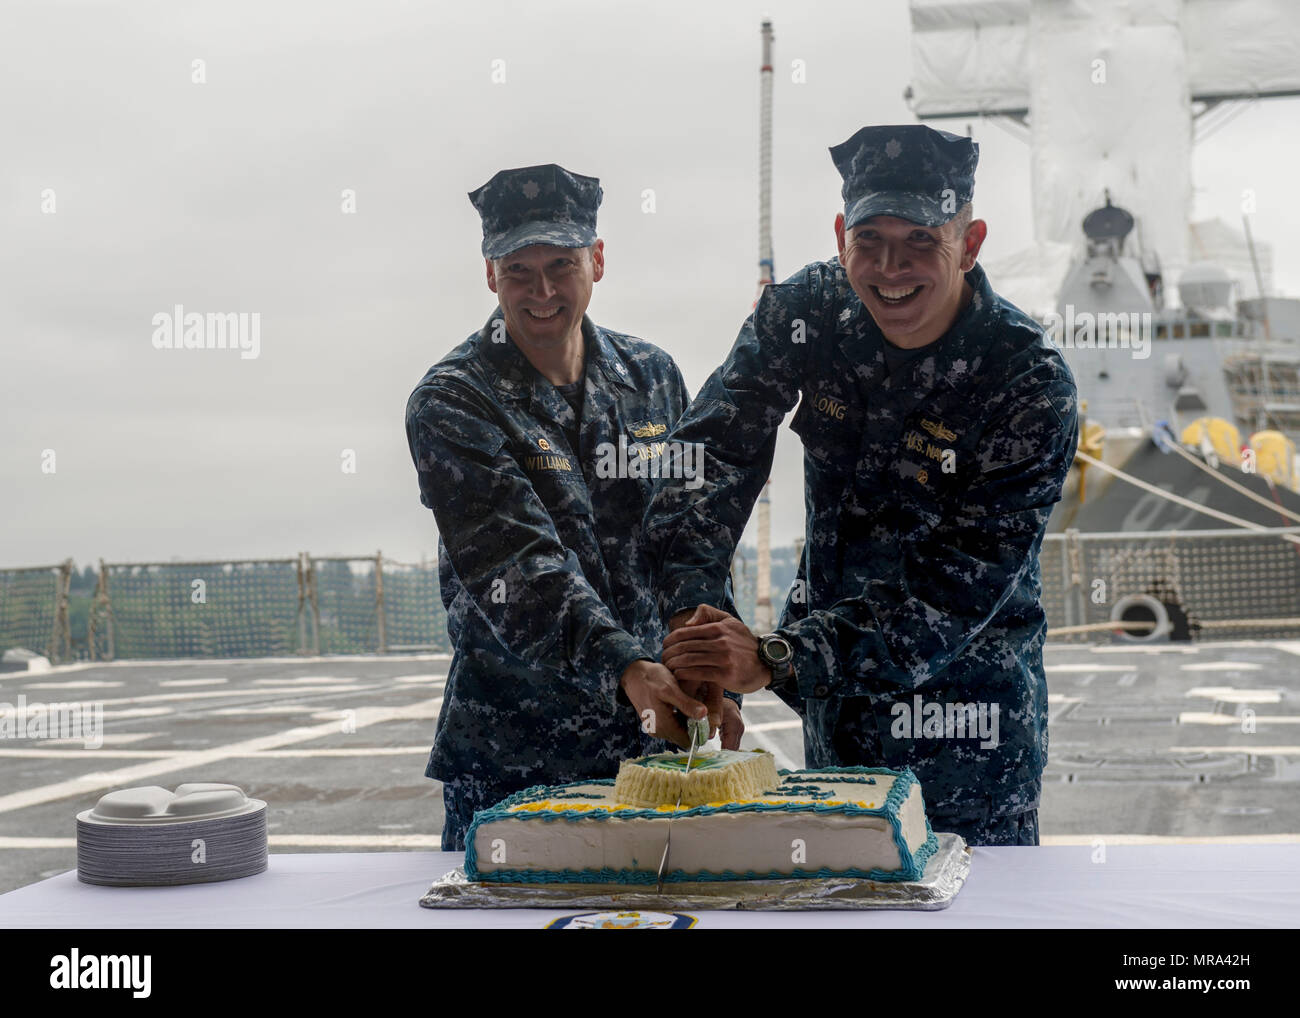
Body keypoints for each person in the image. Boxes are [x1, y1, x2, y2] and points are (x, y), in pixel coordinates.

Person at [644, 125, 1080, 846]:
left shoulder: (1027, 382)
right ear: (841, 233)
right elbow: (706, 466)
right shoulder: (807, 314)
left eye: (920, 242)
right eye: (870, 239)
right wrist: (700, 639)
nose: (890, 267)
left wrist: (777, 658)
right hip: (839, 722)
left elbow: (956, 589)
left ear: (969, 244)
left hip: (970, 739)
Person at [404, 163, 738, 851]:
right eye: (519, 270)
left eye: (562, 263)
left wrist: (709, 659)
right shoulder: (453, 400)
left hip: (658, 746)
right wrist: (626, 666)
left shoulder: (653, 377)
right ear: (490, 274)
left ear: (599, 260)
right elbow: (517, 563)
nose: (544, 290)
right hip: (515, 762)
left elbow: (687, 534)